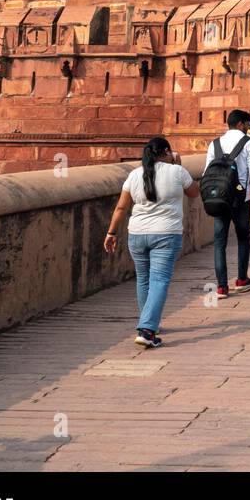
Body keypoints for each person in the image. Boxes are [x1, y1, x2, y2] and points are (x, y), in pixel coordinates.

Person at [104, 137, 198, 348]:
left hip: (136, 234)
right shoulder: (177, 172)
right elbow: (194, 193)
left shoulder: (135, 174)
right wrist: (178, 166)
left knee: (144, 279)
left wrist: (111, 233)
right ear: (166, 152)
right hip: (166, 233)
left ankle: (150, 324)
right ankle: (147, 329)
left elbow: (121, 208)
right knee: (159, 280)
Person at [204, 109, 250, 298]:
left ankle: (221, 287)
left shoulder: (215, 144)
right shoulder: (249, 143)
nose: (248, 127)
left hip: (220, 198)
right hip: (240, 199)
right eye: (247, 124)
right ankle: (241, 280)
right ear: (240, 124)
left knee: (220, 242)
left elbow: (206, 173)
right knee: (243, 238)